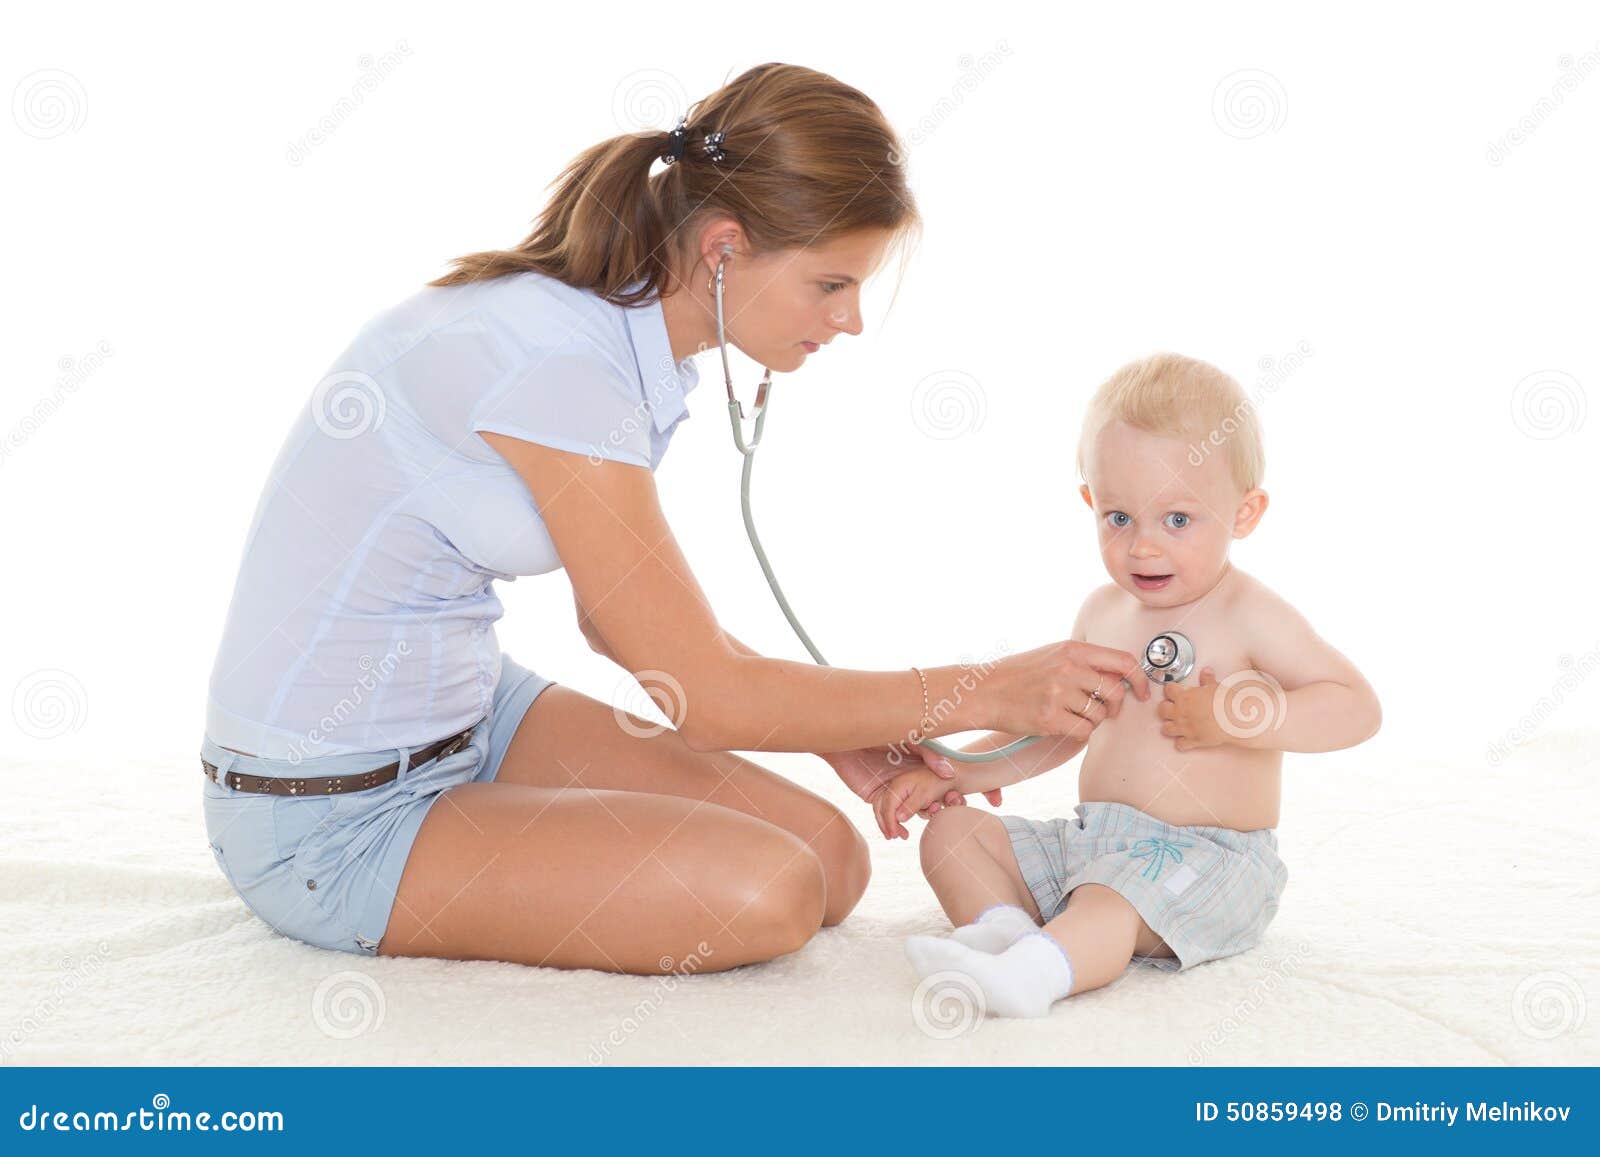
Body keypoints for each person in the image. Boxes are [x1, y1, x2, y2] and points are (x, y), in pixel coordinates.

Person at [199, 62, 1152, 976]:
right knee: (773, 890)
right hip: (328, 812)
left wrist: (832, 729)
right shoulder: (558, 363)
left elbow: (618, 619)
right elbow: (713, 697)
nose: (853, 320)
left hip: (472, 716)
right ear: (724, 246)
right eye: (832, 283)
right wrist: (985, 691)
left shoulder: (618, 335)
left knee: (832, 856)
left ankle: (493, 821)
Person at [884, 353, 1382, 1015]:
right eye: (1120, 518)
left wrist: (1241, 713)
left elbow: (1356, 707)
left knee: (1109, 898)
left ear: (1245, 512)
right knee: (953, 838)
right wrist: (960, 771)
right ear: (1090, 500)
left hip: (1210, 862)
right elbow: (1060, 727)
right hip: (1097, 843)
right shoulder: (1103, 612)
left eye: (1178, 520)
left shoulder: (1250, 613)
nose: (1144, 546)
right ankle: (1006, 936)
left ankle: (1036, 975)